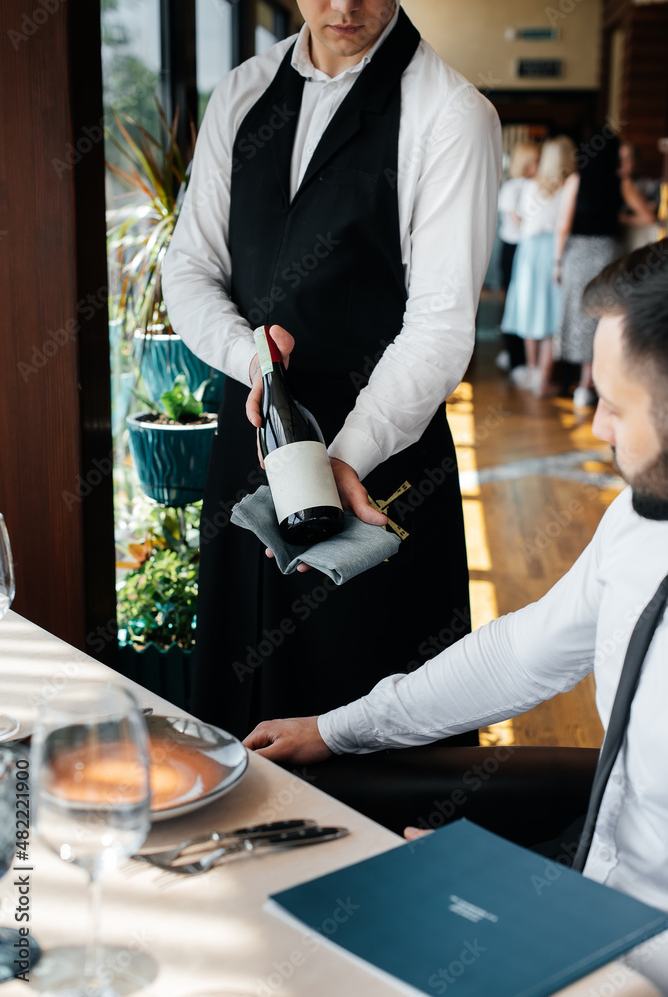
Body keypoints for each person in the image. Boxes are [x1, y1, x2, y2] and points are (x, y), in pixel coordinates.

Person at [244, 241, 668, 995]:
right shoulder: (639, 524)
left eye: (617, 404)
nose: (597, 426)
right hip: (585, 895)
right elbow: (522, 652)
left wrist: (531, 925)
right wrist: (336, 729)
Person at [162, 0, 502, 739]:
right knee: (234, 712)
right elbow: (188, 267)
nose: (343, 4)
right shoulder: (243, 93)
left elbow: (440, 328)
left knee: (365, 726)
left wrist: (339, 460)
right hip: (249, 439)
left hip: (379, 460)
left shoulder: (452, 113)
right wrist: (250, 359)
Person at [554, 131, 624, 408]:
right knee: (602, 316)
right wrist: (620, 217)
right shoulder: (620, 183)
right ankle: (591, 383)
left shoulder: (576, 180)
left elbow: (563, 226)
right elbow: (646, 215)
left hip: (578, 254)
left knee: (576, 314)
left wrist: (556, 263)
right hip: (608, 253)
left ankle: (570, 382)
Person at [501, 136, 575, 397]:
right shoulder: (568, 186)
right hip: (551, 249)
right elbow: (563, 225)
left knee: (529, 309)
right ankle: (543, 377)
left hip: (528, 249)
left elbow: (522, 222)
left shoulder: (531, 187)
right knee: (551, 311)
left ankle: (533, 371)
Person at [495, 141, 540, 372]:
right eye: (535, 160)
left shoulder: (533, 185)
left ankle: (524, 357)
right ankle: (514, 357)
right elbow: (521, 224)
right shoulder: (512, 188)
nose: (539, 165)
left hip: (528, 250)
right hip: (513, 251)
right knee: (513, 304)